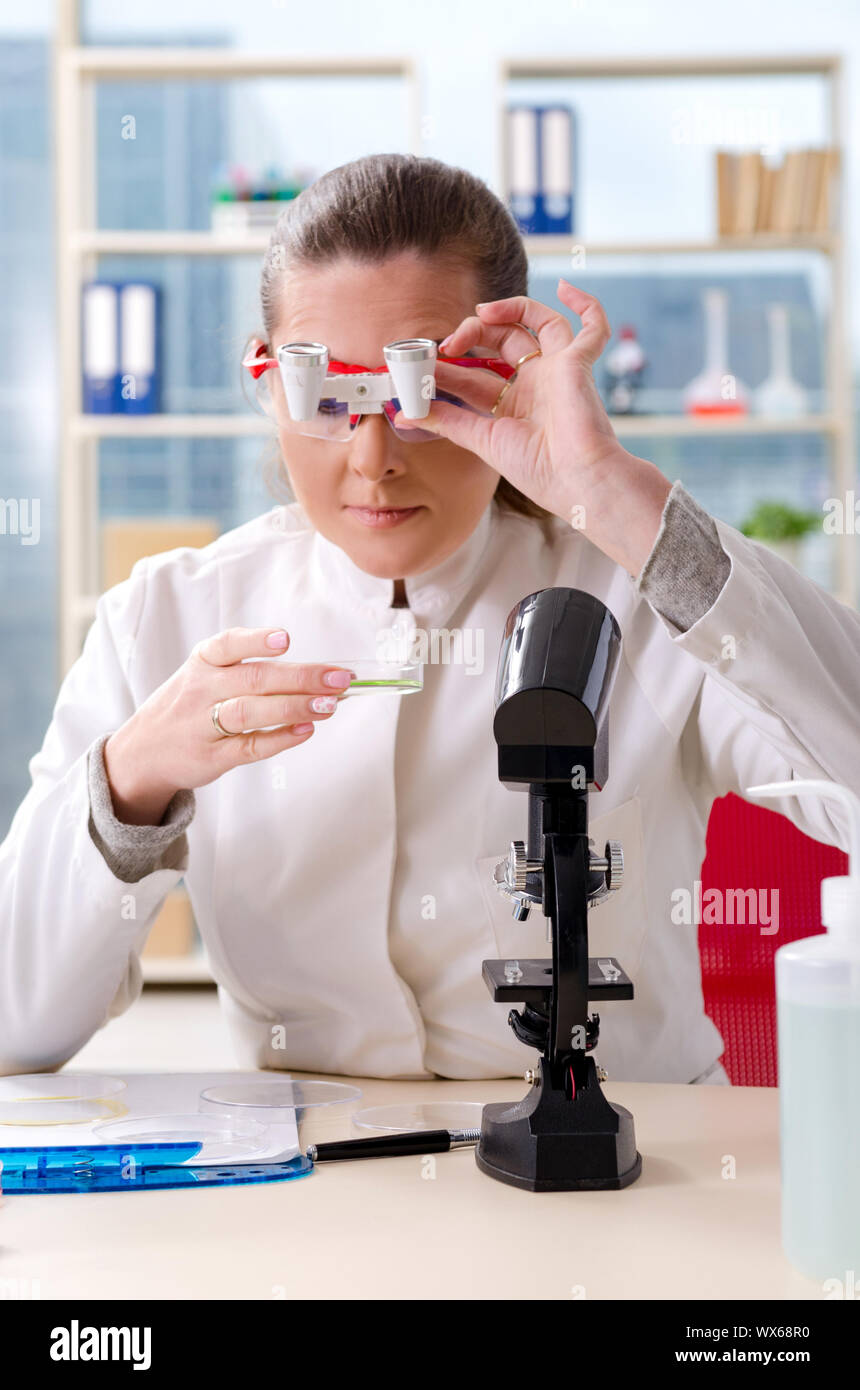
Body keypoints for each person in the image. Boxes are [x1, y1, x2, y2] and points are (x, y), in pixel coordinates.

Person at [1, 154, 858, 1086]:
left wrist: (609, 491)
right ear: (271, 383)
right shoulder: (165, 619)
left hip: (628, 1180)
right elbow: (16, 1023)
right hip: (313, 1184)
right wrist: (131, 781)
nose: (373, 461)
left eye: (419, 394)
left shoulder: (639, 594)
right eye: (328, 393)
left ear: (505, 378)